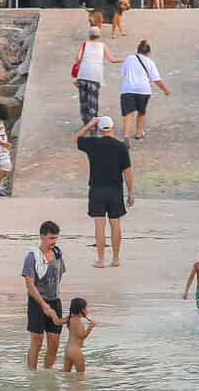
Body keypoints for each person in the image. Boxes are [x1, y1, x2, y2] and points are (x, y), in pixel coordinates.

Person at [75, 114, 134, 267]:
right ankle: (115, 259)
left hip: (97, 190)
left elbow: (76, 139)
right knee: (116, 225)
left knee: (99, 226)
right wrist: (131, 192)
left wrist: (90, 124)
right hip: (115, 190)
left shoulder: (93, 144)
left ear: (99, 130)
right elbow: (127, 171)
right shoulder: (121, 146)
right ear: (113, 128)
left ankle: (101, 260)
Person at [23, 221, 68, 370]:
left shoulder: (58, 254)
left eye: (55, 238)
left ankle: (47, 375)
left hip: (55, 301)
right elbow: (30, 285)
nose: (53, 241)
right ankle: (32, 376)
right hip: (37, 303)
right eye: (50, 238)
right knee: (37, 341)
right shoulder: (32, 257)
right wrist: (45, 306)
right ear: (42, 237)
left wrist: (52, 302)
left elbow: (59, 277)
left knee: (54, 343)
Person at [118, 39, 170, 139]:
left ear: (137, 50)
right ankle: (139, 133)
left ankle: (126, 134)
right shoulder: (150, 62)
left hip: (128, 89)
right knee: (141, 112)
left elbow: (123, 72)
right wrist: (165, 90)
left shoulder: (129, 58)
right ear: (148, 52)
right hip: (143, 90)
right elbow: (156, 79)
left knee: (128, 113)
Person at [72, 27, 122, 125]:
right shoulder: (102, 46)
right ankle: (93, 125)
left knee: (83, 102)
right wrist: (124, 59)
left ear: (89, 35)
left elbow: (78, 59)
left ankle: (85, 123)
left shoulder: (84, 44)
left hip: (82, 75)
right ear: (99, 35)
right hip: (95, 76)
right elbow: (112, 59)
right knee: (93, 102)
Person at [61, 296, 95, 374]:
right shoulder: (78, 321)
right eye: (86, 308)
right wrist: (90, 327)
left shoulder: (70, 318)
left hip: (67, 350)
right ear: (82, 310)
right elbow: (81, 335)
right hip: (76, 351)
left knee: (66, 375)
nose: (87, 310)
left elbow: (58, 322)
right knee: (80, 376)